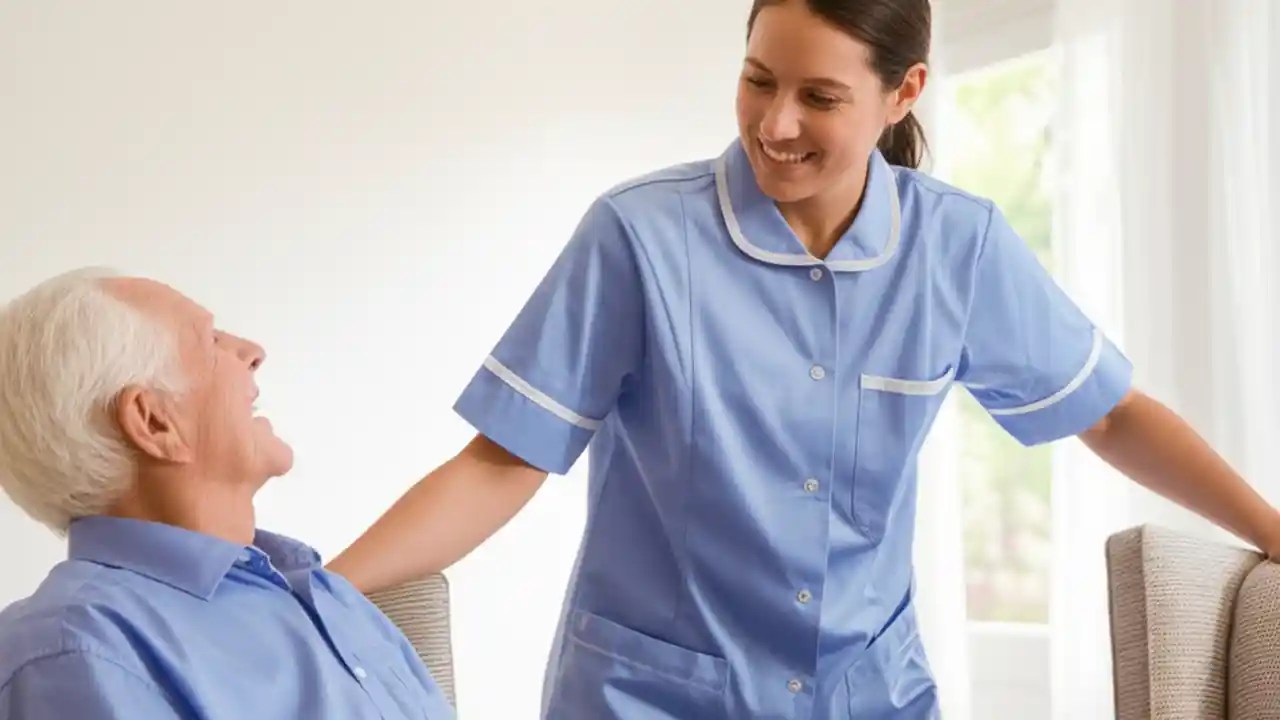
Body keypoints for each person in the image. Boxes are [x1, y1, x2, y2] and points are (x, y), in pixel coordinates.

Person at [326, 0, 1280, 717]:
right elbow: (505, 457)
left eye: (820, 96)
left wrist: (1274, 532)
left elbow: (1108, 413)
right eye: (757, 79)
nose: (774, 123)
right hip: (651, 697)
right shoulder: (641, 236)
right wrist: (320, 590)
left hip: (870, 693)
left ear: (903, 92)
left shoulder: (958, 248)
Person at [0, 269, 455, 719]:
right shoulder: (75, 650)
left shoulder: (328, 597)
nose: (253, 352)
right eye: (210, 341)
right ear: (154, 423)